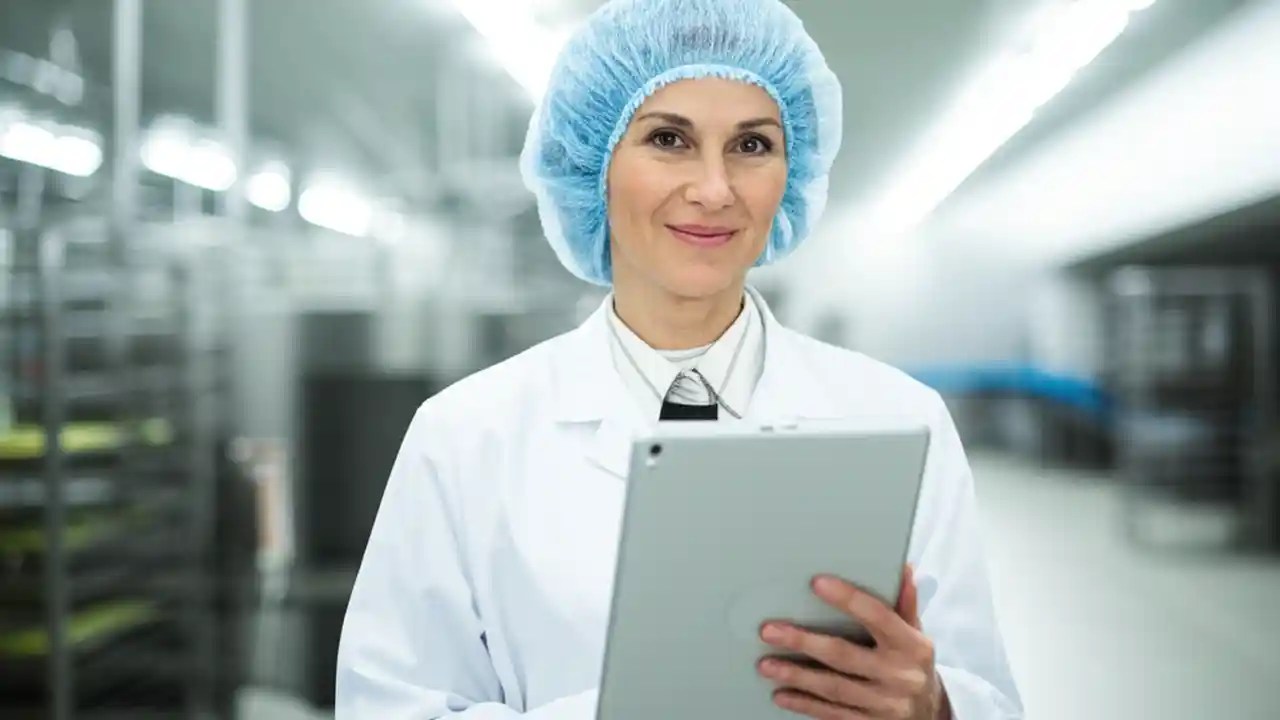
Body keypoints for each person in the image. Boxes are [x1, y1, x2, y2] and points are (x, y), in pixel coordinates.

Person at [336, 0, 1023, 718]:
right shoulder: (466, 435)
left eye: (752, 146)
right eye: (669, 138)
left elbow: (989, 695)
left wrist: (935, 707)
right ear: (595, 162)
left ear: (792, 171)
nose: (714, 189)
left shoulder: (899, 420)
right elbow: (390, 706)